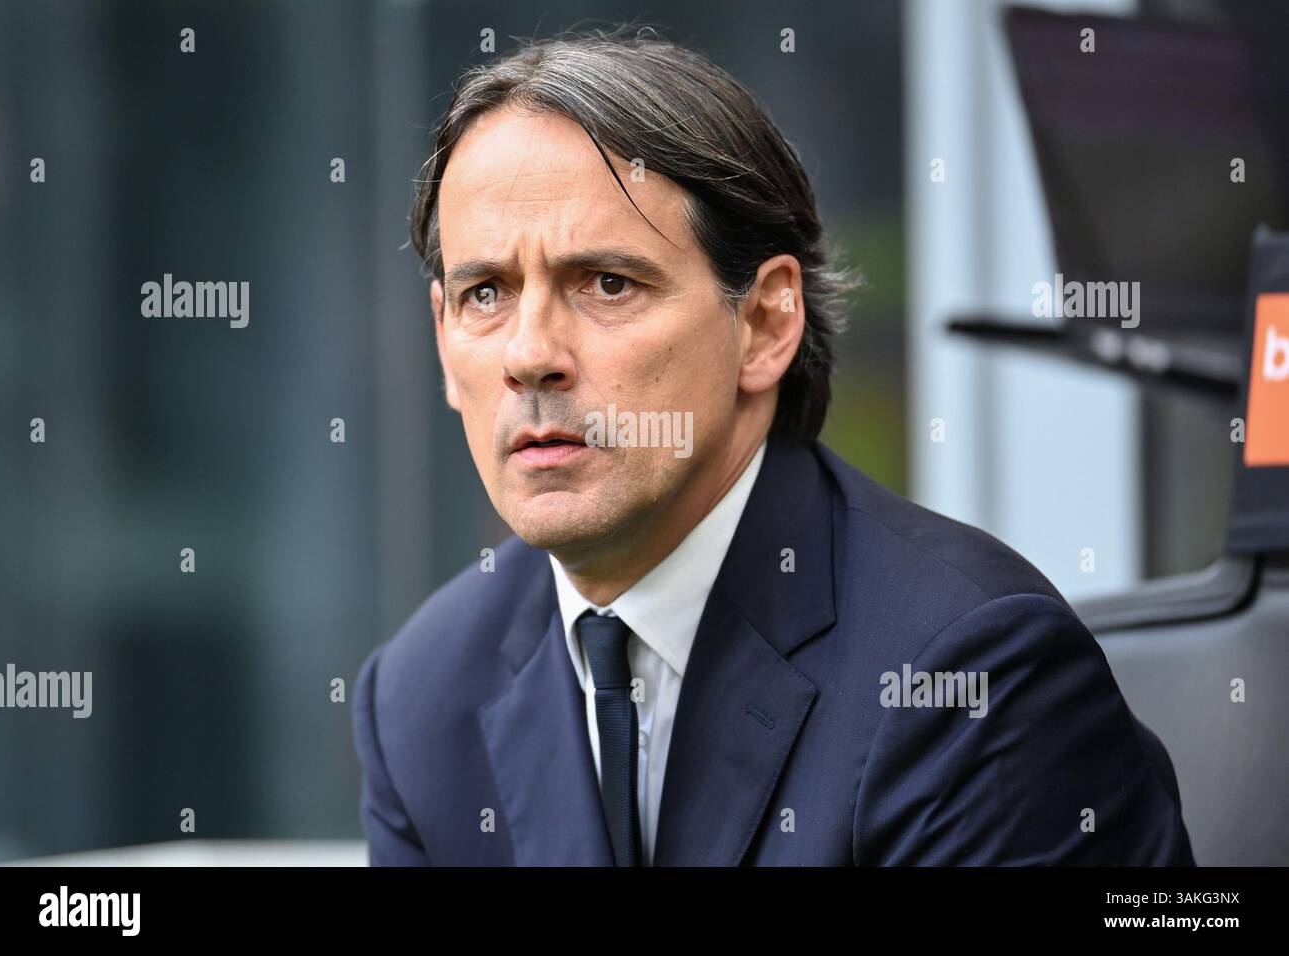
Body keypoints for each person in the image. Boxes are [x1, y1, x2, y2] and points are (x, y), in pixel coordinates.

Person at [351, 27, 1195, 866]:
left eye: (609, 283)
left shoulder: (969, 676)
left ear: (764, 324)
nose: (530, 354)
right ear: (442, 339)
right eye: (485, 293)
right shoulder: (423, 698)